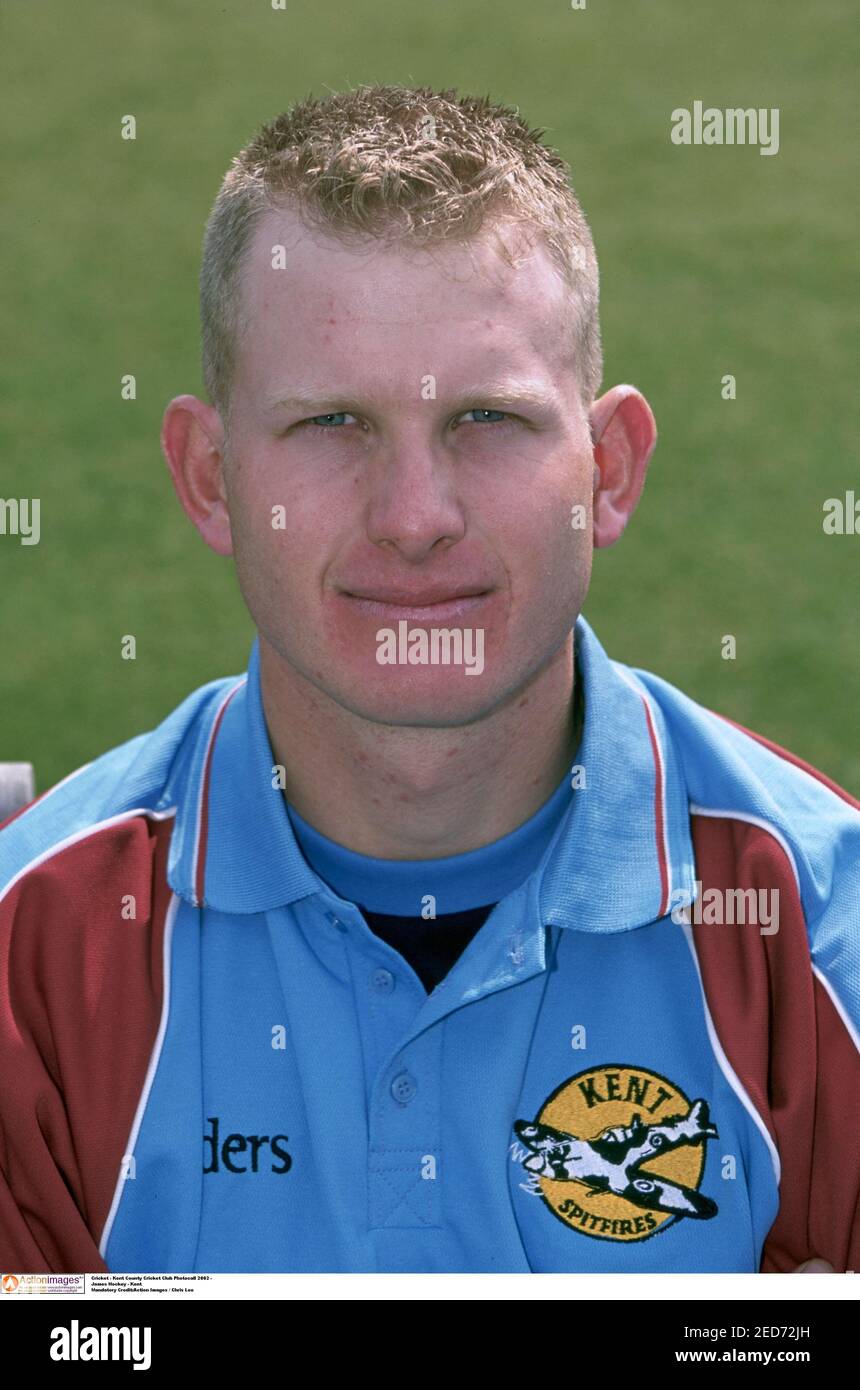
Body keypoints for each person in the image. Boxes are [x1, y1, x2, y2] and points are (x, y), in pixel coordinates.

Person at [0, 85, 856, 1275]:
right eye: (334, 423)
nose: (414, 518)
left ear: (606, 470)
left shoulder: (818, 929)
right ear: (209, 476)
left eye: (487, 419)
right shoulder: (27, 956)